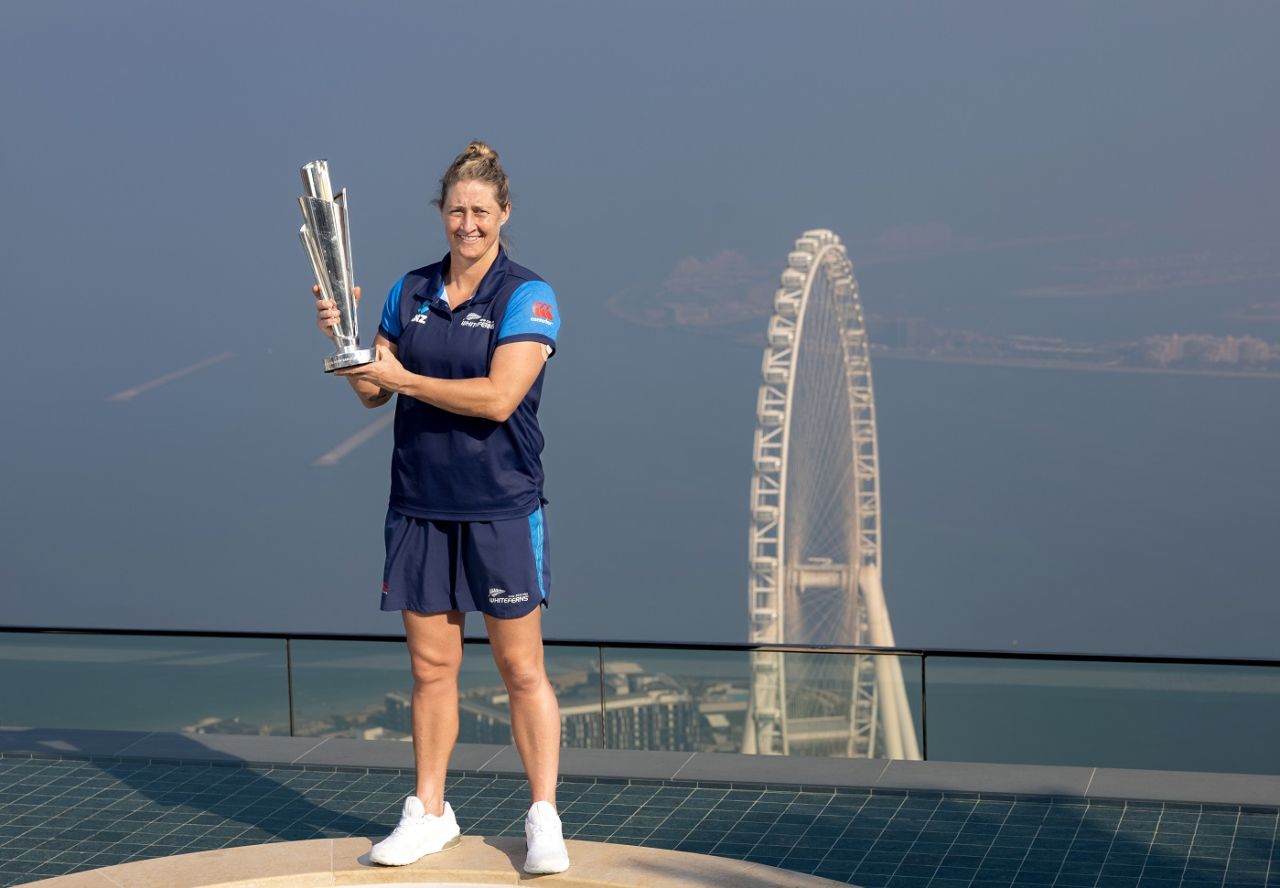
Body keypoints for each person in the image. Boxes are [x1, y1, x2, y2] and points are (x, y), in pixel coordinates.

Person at [313, 142, 568, 874]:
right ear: (442, 213)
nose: (467, 224)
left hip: (502, 507)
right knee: (431, 671)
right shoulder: (409, 290)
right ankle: (429, 812)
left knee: (522, 670)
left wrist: (403, 376)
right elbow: (371, 390)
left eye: (480, 212)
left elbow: (498, 398)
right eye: (456, 211)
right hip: (420, 504)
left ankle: (543, 816)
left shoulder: (528, 295)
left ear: (503, 214)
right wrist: (343, 339)